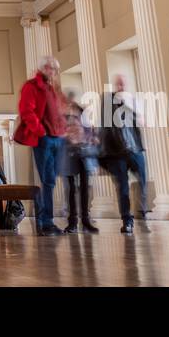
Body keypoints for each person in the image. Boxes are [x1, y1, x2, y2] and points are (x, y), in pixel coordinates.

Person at [15, 55, 67, 236]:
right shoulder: (31, 86)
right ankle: (46, 222)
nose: (54, 73)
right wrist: (40, 131)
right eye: (53, 69)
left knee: (52, 180)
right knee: (47, 180)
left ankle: (48, 221)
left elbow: (57, 112)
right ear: (45, 68)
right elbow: (26, 111)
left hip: (56, 138)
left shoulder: (51, 88)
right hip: (44, 139)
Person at [102, 75, 149, 235]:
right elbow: (107, 126)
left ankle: (142, 212)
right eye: (119, 82)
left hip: (135, 148)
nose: (121, 84)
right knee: (123, 187)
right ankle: (126, 220)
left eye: (123, 82)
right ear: (116, 84)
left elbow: (142, 121)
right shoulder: (109, 100)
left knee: (143, 180)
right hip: (118, 152)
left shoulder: (132, 100)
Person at [60, 91, 98, 234]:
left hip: (84, 153)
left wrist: (91, 137)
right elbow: (58, 133)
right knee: (70, 189)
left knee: (84, 188)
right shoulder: (61, 116)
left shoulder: (82, 112)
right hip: (68, 154)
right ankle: (72, 222)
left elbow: (90, 131)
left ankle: (86, 221)